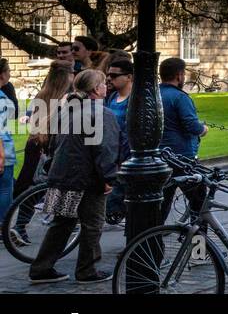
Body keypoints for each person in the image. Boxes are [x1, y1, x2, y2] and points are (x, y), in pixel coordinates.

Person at [29, 69, 120, 284]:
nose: (106, 86)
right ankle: (87, 271)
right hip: (86, 178)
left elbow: (54, 143)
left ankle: (41, 267)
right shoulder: (100, 113)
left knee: (62, 223)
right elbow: (104, 149)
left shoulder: (67, 110)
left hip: (62, 175)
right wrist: (110, 178)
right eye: (103, 83)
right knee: (92, 224)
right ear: (96, 89)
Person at [9, 62, 74, 247]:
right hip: (51, 147)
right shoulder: (66, 99)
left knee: (34, 187)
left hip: (35, 144)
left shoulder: (42, 94)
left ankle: (20, 225)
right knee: (47, 187)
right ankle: (32, 226)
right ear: (67, 76)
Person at [160, 56, 208, 219]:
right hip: (182, 157)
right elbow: (192, 125)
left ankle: (153, 240)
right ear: (179, 75)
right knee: (199, 202)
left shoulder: (154, 94)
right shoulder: (180, 97)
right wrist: (203, 129)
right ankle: (198, 242)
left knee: (162, 202)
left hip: (160, 156)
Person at [102, 51, 134, 223]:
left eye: (114, 75)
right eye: (108, 75)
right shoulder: (112, 97)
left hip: (126, 157)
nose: (109, 78)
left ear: (129, 77)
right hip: (112, 153)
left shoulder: (135, 99)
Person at [0, 60, 15, 229]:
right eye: (8, 70)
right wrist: (2, 155)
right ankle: (2, 226)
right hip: (4, 151)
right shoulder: (2, 100)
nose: (10, 74)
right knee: (4, 191)